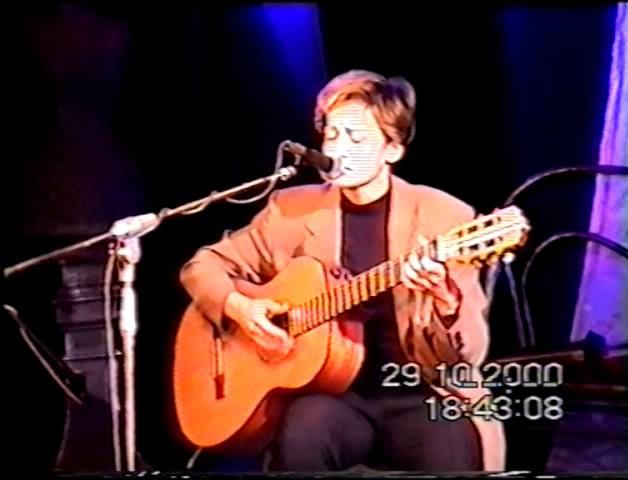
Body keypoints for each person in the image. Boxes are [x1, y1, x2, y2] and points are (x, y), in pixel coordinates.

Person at [180, 70, 505, 472]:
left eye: (356, 139)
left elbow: (469, 353)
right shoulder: (292, 209)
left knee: (450, 444)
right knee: (303, 431)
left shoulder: (444, 216)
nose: (338, 150)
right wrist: (239, 308)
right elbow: (202, 266)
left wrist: (446, 301)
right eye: (332, 136)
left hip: (420, 391)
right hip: (334, 395)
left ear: (392, 150)